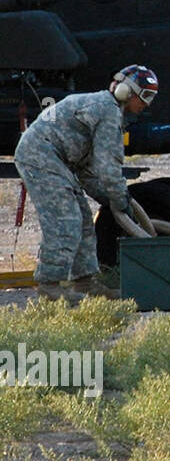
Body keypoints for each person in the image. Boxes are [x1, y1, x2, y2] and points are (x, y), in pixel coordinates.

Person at [14, 66, 159, 303]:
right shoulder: (108, 112)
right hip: (39, 155)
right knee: (66, 219)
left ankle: (85, 282)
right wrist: (120, 198)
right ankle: (50, 286)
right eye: (145, 96)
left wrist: (108, 197)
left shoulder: (106, 109)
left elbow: (89, 171)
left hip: (58, 159)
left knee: (83, 222)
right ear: (125, 92)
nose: (147, 104)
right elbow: (109, 168)